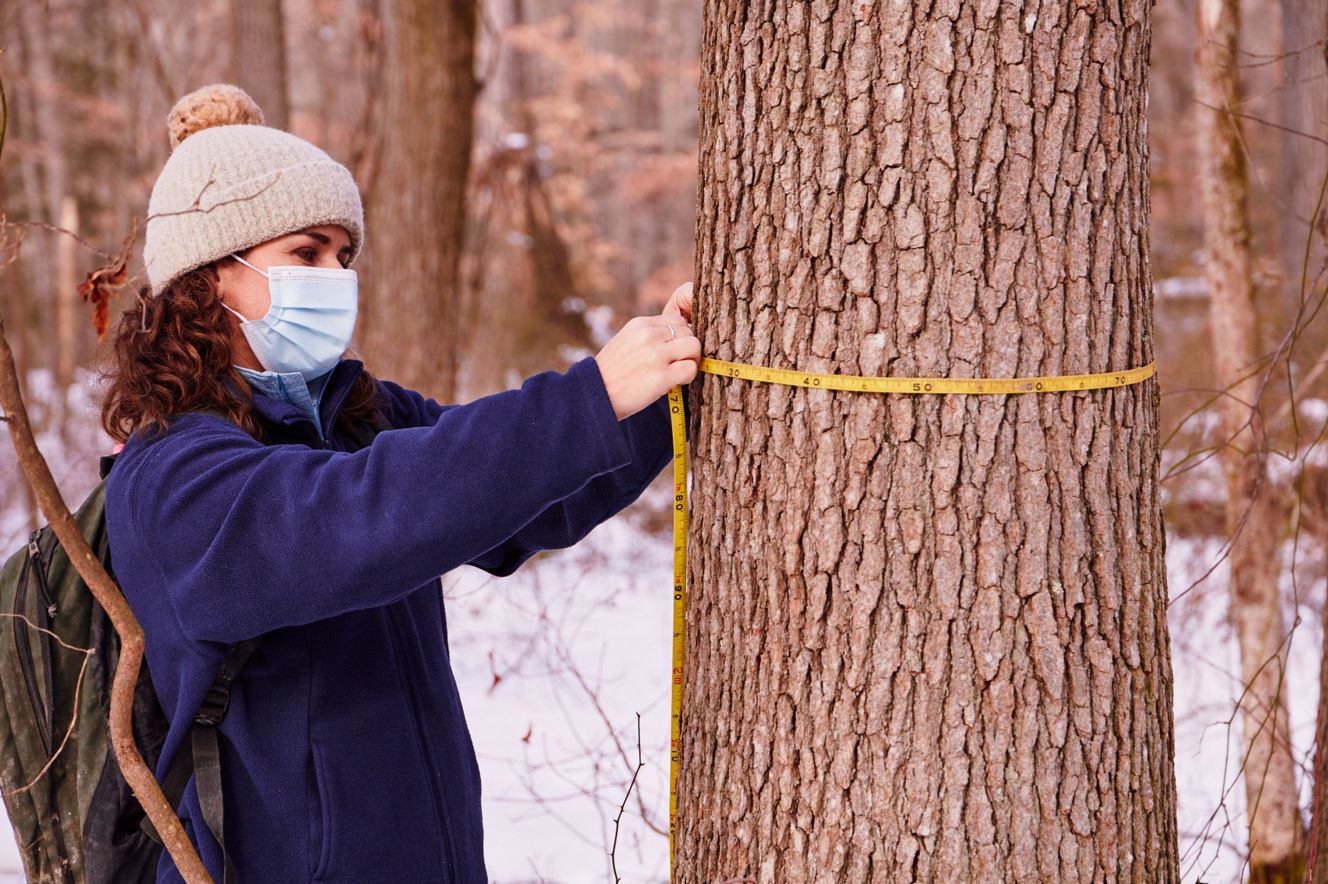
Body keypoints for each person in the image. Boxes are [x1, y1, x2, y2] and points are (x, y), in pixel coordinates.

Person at [97, 83, 698, 884]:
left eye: (343, 257)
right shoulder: (174, 479)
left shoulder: (358, 418)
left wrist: (663, 395)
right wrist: (588, 397)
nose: (335, 277)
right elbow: (363, 517)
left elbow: (518, 503)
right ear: (209, 277)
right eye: (306, 253)